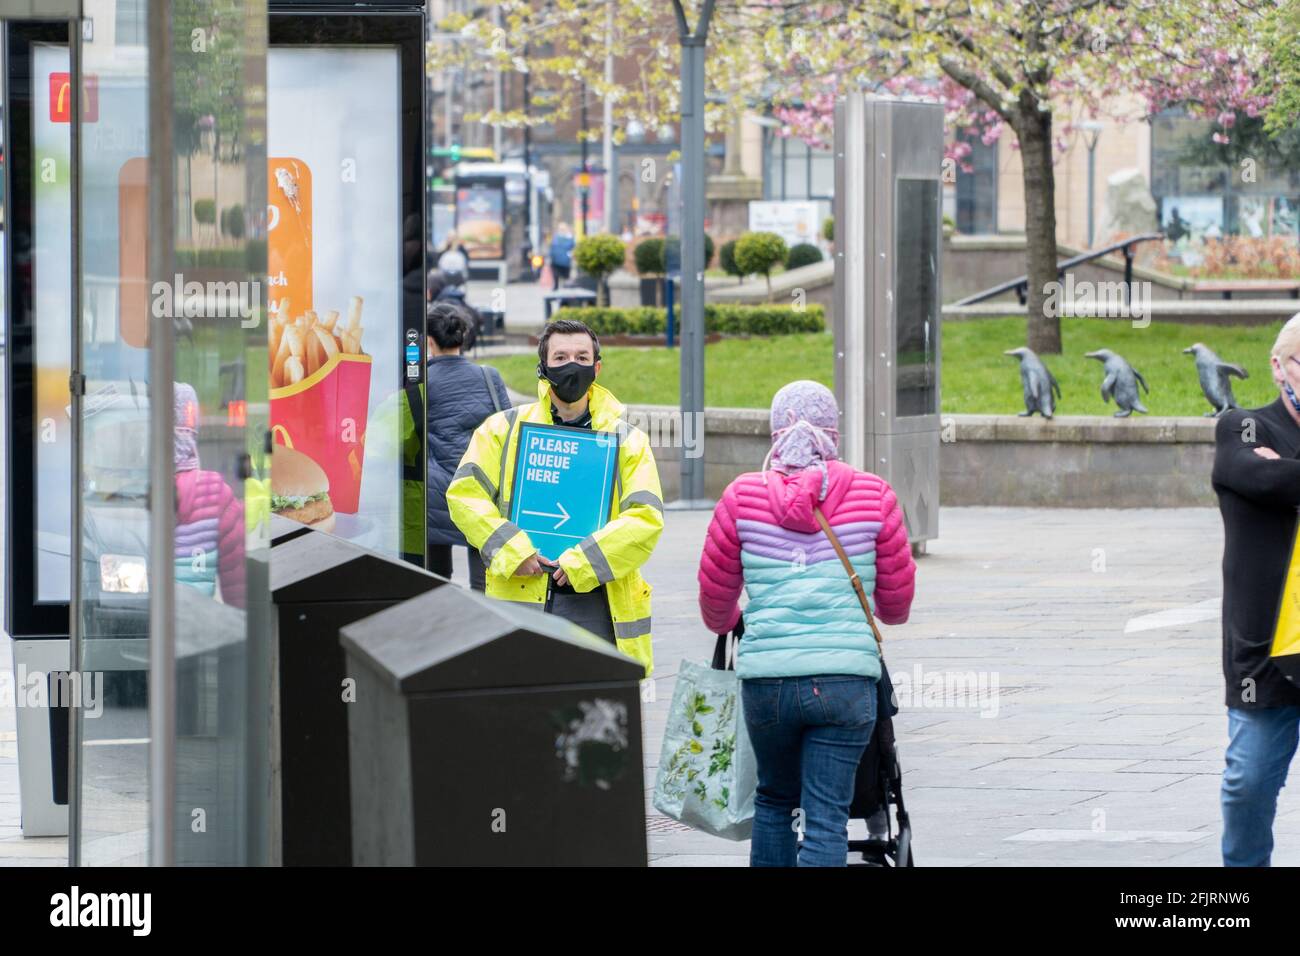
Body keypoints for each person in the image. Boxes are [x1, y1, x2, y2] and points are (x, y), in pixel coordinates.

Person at [697, 380, 916, 867]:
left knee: (774, 801)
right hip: (845, 683)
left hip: (767, 683)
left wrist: (737, 618)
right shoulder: (874, 494)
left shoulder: (740, 497)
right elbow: (896, 607)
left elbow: (715, 604)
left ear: (774, 431)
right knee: (826, 815)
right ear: (833, 430)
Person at [446, 318, 663, 673]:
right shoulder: (503, 429)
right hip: (521, 596)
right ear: (543, 367)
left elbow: (646, 517)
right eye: (560, 357)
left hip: (598, 604)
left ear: (597, 367)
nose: (571, 366)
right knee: (524, 710)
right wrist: (513, 549)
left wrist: (582, 561)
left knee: (595, 716)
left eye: (581, 356)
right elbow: (464, 496)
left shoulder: (628, 440)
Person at [1216, 314, 1300, 866]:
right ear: (1278, 367)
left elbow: (1283, 480)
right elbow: (1260, 478)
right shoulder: (1243, 427)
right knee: (1247, 788)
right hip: (1269, 655)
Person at [425, 302, 511, 589]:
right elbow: (507, 431)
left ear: (429, 341)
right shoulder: (490, 377)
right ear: (462, 338)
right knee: (483, 582)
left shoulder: (421, 381)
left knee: (435, 579)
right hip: (481, 488)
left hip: (435, 493)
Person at [174, 383, 245, 607]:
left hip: (132, 622)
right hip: (198, 622)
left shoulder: (131, 490)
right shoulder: (214, 491)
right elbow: (237, 579)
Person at [548, 222, 576, 290]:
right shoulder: (557, 237)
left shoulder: (568, 238)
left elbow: (572, 247)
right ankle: (558, 285)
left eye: (563, 229)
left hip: (563, 261)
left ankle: (561, 286)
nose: (561, 230)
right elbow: (552, 248)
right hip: (558, 260)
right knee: (558, 274)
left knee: (563, 276)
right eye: (560, 229)